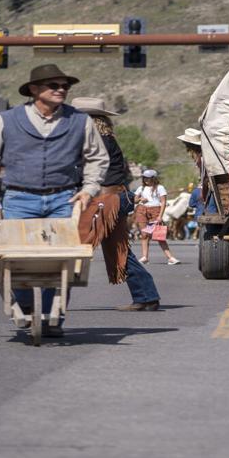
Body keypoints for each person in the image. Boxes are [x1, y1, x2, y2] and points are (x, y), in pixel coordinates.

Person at [0, 63, 108, 338]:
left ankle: (52, 316)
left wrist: (89, 188)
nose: (61, 90)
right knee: (15, 258)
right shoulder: (6, 120)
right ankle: (24, 305)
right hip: (20, 197)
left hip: (63, 198)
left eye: (65, 86)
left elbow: (97, 158)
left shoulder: (81, 122)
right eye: (54, 85)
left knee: (61, 261)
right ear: (34, 90)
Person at [70, 96, 161, 312]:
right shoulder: (105, 138)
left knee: (74, 244)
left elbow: (83, 171)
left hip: (104, 200)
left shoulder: (96, 141)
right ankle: (146, 296)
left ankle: (51, 296)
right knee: (117, 249)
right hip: (112, 198)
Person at [134, 169, 179, 265]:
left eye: (148, 178)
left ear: (153, 178)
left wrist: (160, 216)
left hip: (155, 211)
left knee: (159, 235)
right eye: (144, 177)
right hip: (142, 210)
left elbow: (163, 202)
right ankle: (145, 257)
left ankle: (170, 258)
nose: (146, 179)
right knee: (144, 235)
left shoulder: (160, 188)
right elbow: (134, 200)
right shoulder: (141, 188)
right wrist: (140, 199)